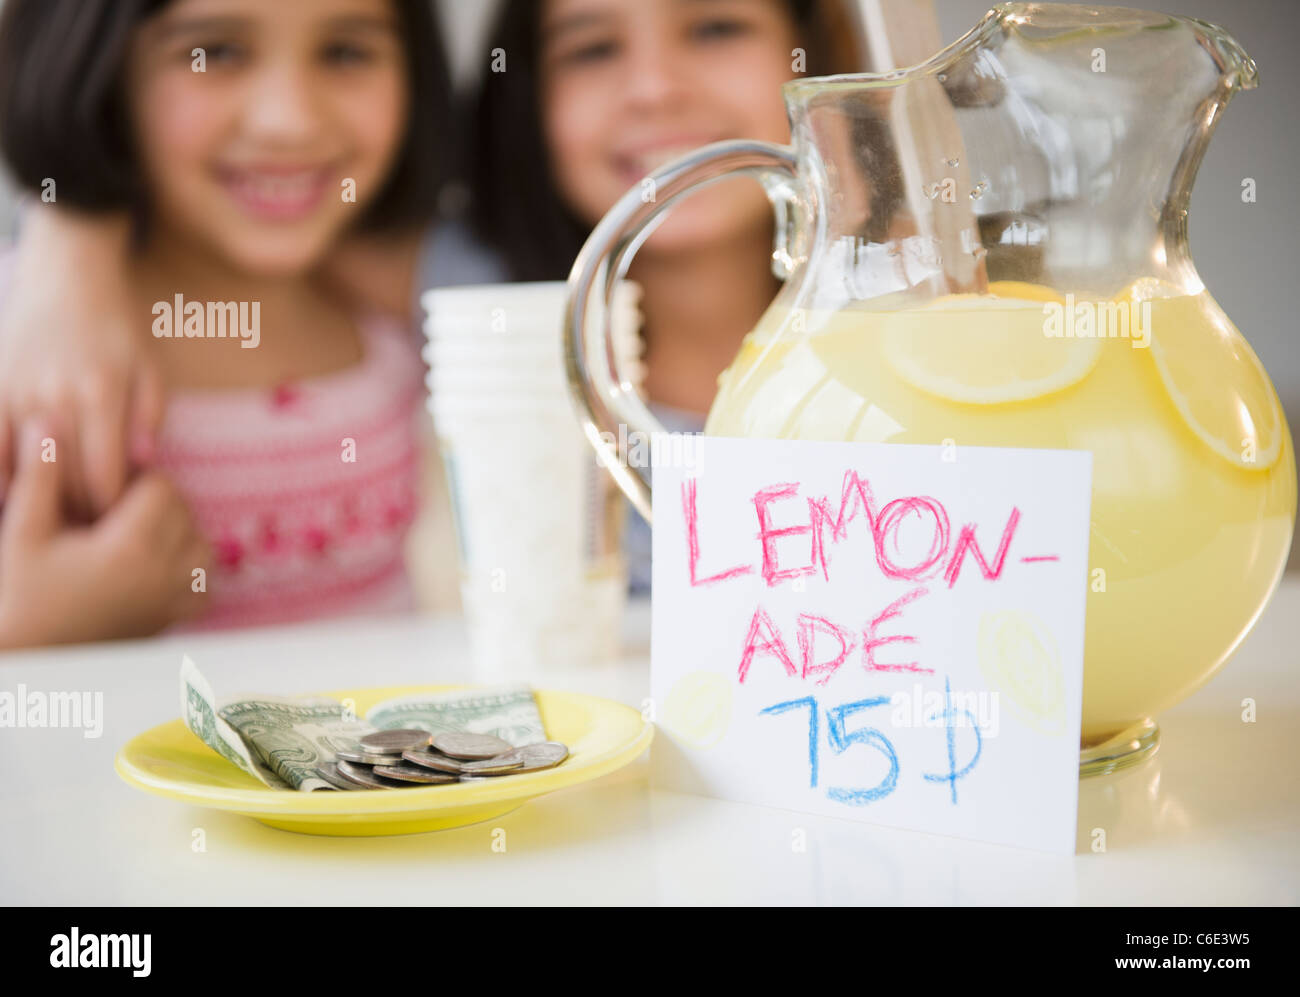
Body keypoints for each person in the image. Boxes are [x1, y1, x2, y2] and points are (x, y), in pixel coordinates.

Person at [0, 0, 455, 645]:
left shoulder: (403, 317)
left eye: (346, 52)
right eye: (214, 53)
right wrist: (25, 628)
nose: (289, 122)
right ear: (98, 65)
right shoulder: (25, 342)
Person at [471, 0, 861, 590]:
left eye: (715, 27)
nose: (654, 89)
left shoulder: (953, 331)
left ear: (819, 56)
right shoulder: (466, 323)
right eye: (592, 49)